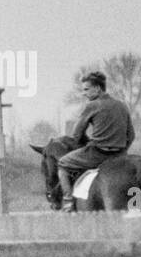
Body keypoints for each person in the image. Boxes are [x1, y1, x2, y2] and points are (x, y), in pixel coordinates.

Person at [57, 70, 135, 212]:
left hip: (97, 153)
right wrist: (122, 150)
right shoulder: (122, 105)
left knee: (62, 163)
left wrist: (88, 143)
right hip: (120, 155)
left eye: (86, 89)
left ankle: (68, 201)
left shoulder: (92, 106)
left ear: (98, 88)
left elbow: (76, 135)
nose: (84, 93)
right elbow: (131, 135)